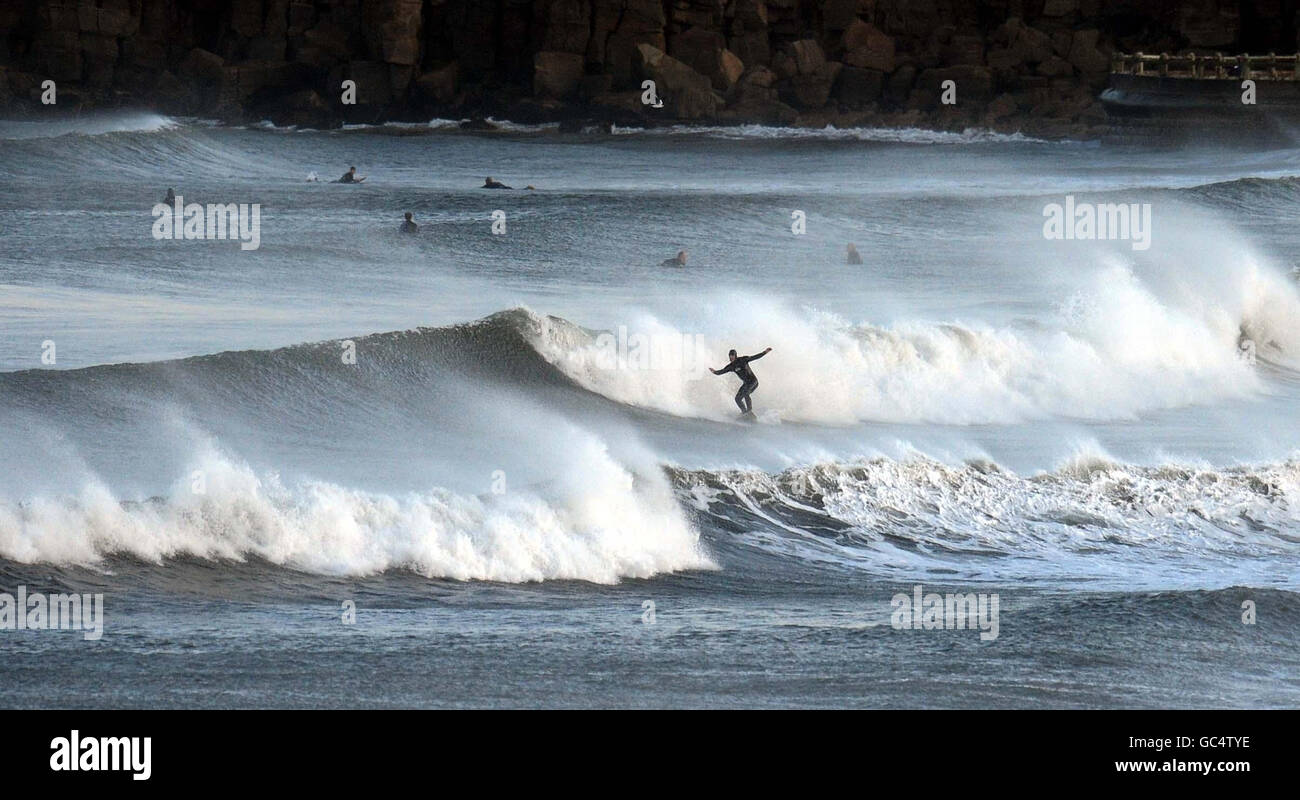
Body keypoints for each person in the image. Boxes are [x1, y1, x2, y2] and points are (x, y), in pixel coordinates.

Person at [711, 347, 772, 414]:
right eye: (730, 356)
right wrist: (714, 372)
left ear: (735, 355)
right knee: (737, 399)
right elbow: (722, 371)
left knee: (746, 393)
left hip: (753, 381)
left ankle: (749, 411)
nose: (731, 357)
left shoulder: (743, 359)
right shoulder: (731, 366)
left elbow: (754, 357)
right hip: (746, 384)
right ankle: (744, 412)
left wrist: (764, 352)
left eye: (732, 356)